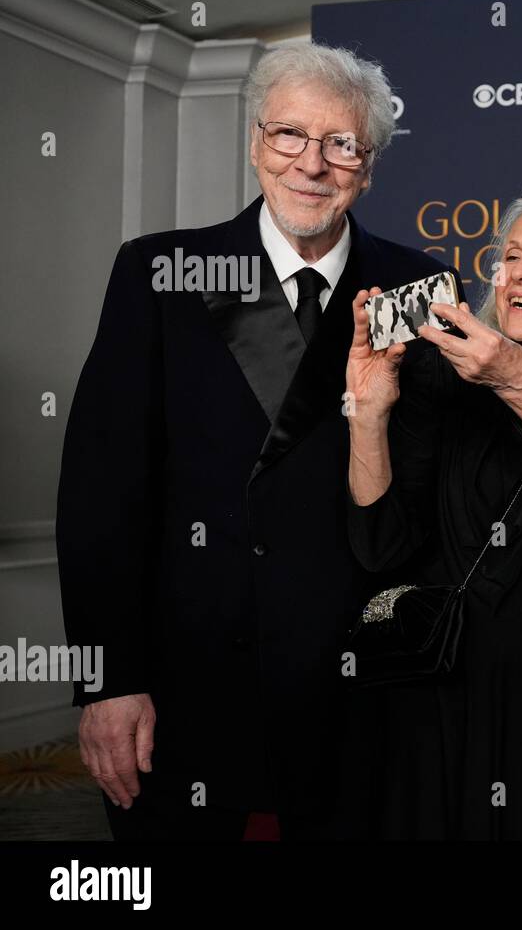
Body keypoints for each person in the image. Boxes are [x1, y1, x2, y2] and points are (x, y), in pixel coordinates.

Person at [55, 43, 445, 839]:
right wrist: (108, 680)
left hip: (353, 685)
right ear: (256, 143)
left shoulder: (416, 289)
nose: (312, 164)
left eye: (342, 144)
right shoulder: (162, 271)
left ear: (367, 168)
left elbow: (425, 499)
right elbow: (101, 495)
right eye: (289, 137)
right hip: (183, 679)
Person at [341, 183, 522, 839]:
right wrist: (369, 412)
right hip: (436, 691)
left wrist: (521, 383)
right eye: (512, 256)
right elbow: (381, 547)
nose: (521, 273)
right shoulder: (438, 379)